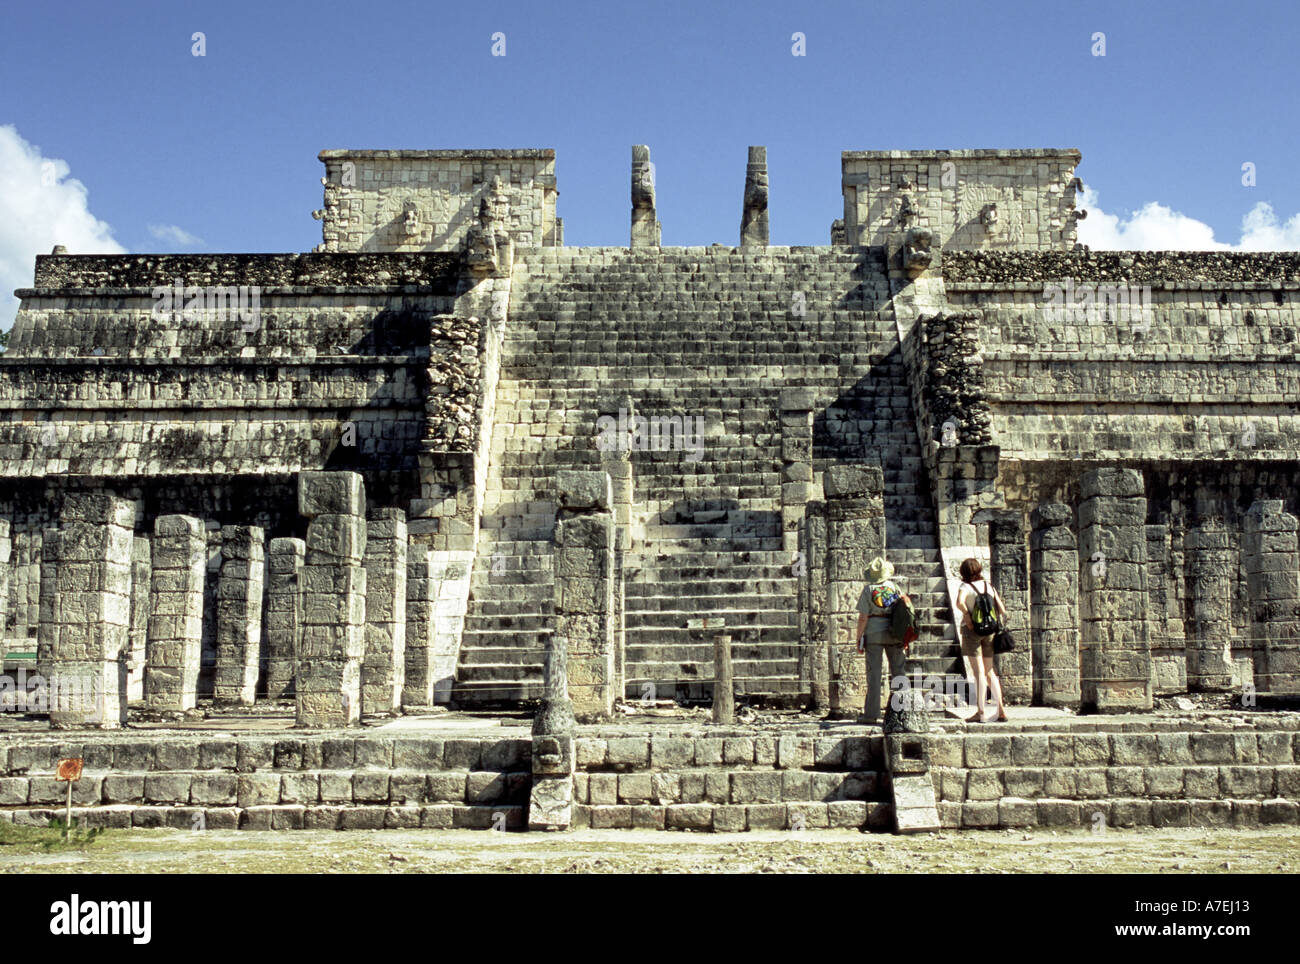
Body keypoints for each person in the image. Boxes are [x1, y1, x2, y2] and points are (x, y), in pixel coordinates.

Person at [854, 556, 909, 725]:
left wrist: (858, 638)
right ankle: (902, 712)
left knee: (874, 675)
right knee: (899, 672)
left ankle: (871, 714)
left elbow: (863, 617)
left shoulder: (868, 589)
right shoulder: (894, 587)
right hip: (894, 631)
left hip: (874, 633)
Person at [956, 557, 1009, 723]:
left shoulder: (965, 586)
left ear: (963, 572)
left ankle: (980, 712)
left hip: (972, 632)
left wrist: (968, 616)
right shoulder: (989, 586)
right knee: (989, 671)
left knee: (978, 672)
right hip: (990, 632)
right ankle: (1001, 709)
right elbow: (1001, 609)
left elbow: (959, 603)